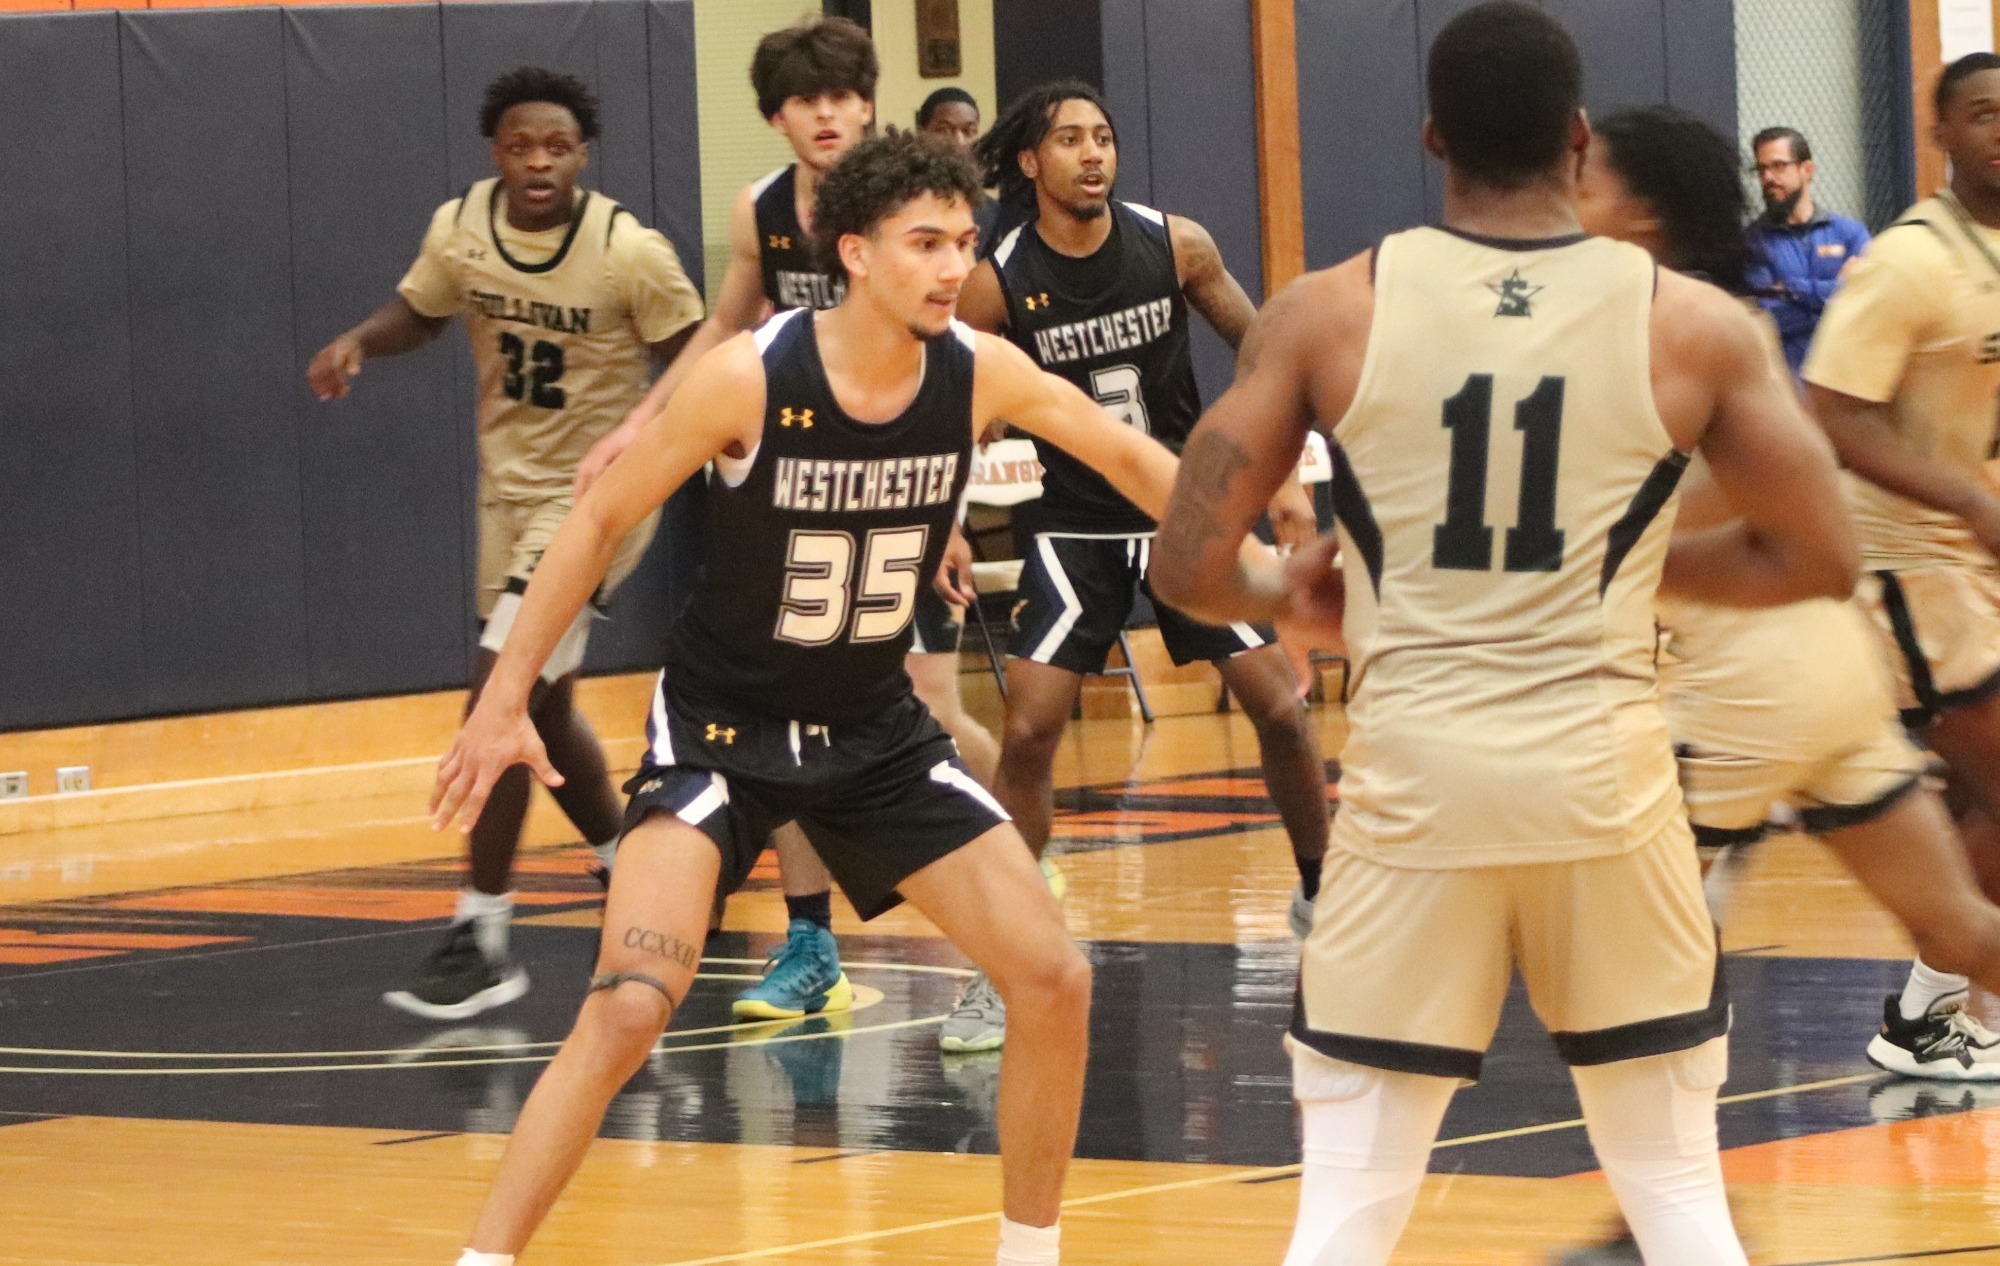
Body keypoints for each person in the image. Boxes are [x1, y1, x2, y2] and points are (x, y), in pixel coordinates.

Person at [432, 130, 1221, 1266]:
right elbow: (597, 519)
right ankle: (484, 1260)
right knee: (630, 1004)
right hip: (718, 730)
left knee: (1052, 978)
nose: (953, 267)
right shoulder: (749, 373)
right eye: (924, 244)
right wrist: (505, 696)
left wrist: (1239, 545)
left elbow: (1121, 451)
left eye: (962, 241)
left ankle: (1028, 1255)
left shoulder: (977, 370)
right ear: (853, 253)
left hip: (874, 732)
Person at [1149, 6, 1859, 1264]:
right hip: (1603, 783)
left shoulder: (1325, 312)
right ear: (1577, 143)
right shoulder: (1690, 326)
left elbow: (1190, 567)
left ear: (1430, 137)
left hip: (1416, 784)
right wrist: (1622, 572)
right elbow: (1818, 554)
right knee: (1677, 1196)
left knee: (1346, 1211)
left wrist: (1294, 593)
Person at [1582, 105, 2000, 1083]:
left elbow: (1789, 515)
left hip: (1748, 678)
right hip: (1833, 671)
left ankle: (1666, 1204)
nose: (1566, 197)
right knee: (1955, 925)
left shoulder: (1656, 329)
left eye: (1587, 181)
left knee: (1634, 947)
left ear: (1641, 213)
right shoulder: (1715, 320)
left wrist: (1618, 559)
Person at [580, 16, 976, 1023]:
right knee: (786, 711)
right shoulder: (761, 209)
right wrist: (641, 422)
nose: (828, 114)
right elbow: (722, 323)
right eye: (808, 101)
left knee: (927, 705)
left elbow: (963, 369)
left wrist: (948, 510)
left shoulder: (913, 213)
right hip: (788, 481)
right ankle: (811, 937)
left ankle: (998, 904)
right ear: (777, 117)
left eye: (844, 96)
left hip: (896, 490)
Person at [306, 67, 704, 1021]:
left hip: (596, 501)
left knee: (497, 693)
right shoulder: (463, 226)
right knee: (545, 704)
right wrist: (362, 338)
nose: (537, 162)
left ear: (582, 155)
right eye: (521, 146)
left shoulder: (627, 251)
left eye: (555, 147)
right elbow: (427, 308)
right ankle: (630, 865)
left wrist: (675, 447)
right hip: (509, 496)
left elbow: (698, 348)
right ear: (498, 152)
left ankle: (482, 934)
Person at [945, 80, 1329, 1054]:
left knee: (1280, 708)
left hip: (1181, 517)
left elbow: (1268, 350)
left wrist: (1277, 466)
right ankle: (1010, 957)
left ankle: (1327, 905)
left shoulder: (1176, 245)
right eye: (1069, 139)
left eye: (1104, 137)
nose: (1092, 153)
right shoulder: (996, 279)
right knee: (1028, 729)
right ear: (1028, 162)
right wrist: (943, 514)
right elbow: (950, 407)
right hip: (1067, 524)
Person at [1804, 51, 2000, 1074]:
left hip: (1978, 565)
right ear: (1939, 134)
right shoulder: (1906, 261)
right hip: (1909, 567)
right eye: (1980, 114)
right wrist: (1964, 497)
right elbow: (1828, 413)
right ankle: (1933, 1013)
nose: (1999, 128)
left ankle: (1933, 1015)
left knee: (1980, 800)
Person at [1744, 126, 1871, 376]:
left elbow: (1868, 306)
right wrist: (1836, 296)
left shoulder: (1849, 234)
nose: (1768, 177)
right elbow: (1767, 322)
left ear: (1807, 170)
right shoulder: (1752, 243)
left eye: (1779, 166)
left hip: (1847, 381)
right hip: (1788, 387)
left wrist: (1793, 288)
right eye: (1762, 169)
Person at [918, 85, 1003, 248]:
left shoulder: (988, 210)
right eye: (944, 130)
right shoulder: (900, 200)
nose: (959, 141)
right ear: (922, 132)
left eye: (969, 131)